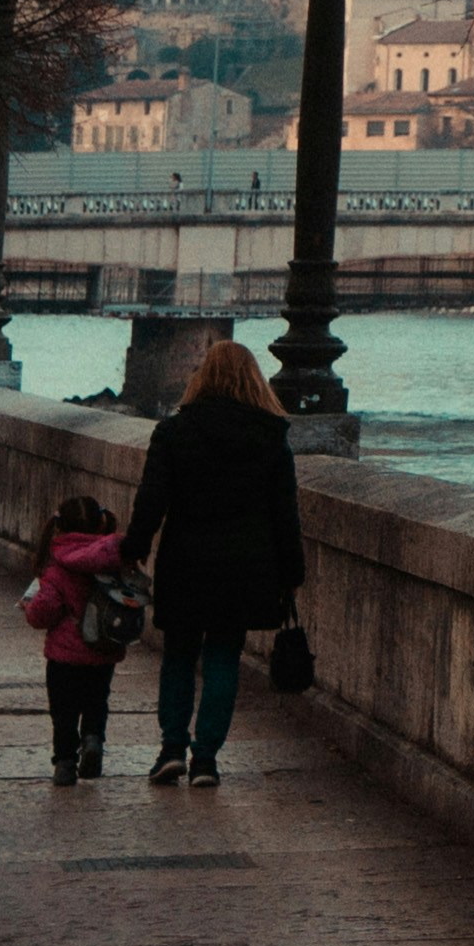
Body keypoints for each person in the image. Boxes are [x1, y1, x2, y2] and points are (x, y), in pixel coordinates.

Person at [128, 336, 306, 788]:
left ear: (202, 376)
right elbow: (286, 515)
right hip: (244, 568)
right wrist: (291, 574)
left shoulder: (174, 432)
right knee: (225, 657)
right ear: (255, 379)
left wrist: (133, 548)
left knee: (180, 654)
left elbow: (152, 502)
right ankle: (205, 759)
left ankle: (171, 748)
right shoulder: (271, 438)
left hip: (186, 561)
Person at [16, 491, 141, 784]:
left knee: (63, 709)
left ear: (59, 527)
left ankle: (64, 761)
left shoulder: (57, 569)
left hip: (64, 656)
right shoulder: (114, 560)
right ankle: (94, 738)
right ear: (101, 524)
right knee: (97, 699)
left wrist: (30, 608)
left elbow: (42, 614)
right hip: (103, 650)